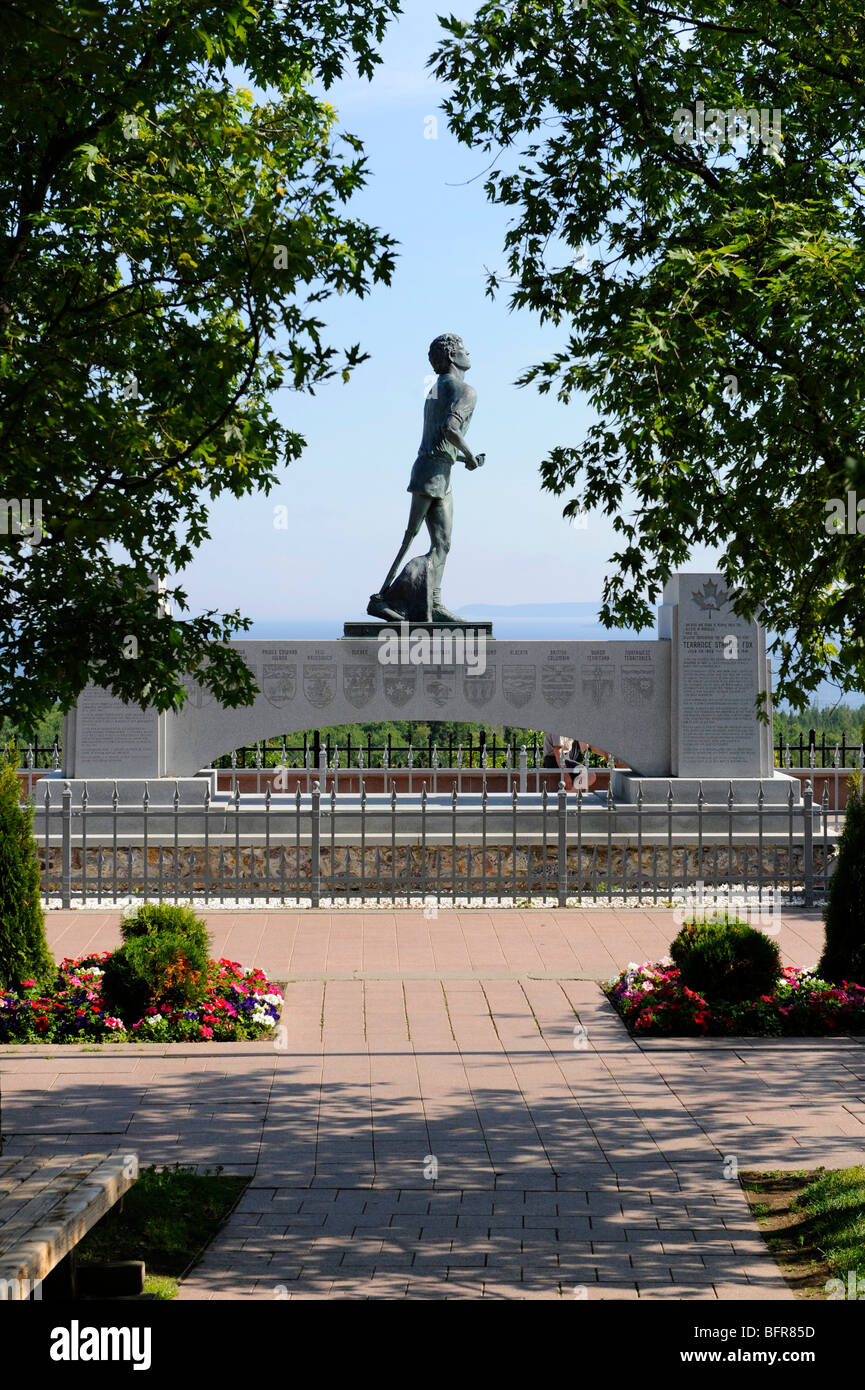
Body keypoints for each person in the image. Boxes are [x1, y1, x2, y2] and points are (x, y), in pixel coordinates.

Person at [368, 333, 485, 623]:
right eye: (463, 349)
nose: (468, 352)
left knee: (441, 543)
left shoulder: (434, 390)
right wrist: (469, 456)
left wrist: (462, 458)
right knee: (410, 537)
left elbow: (438, 441)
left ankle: (433, 604)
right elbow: (450, 430)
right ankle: (382, 599)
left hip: (436, 470)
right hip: (431, 474)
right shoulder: (466, 391)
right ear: (452, 357)